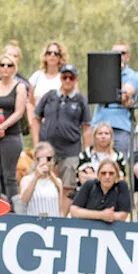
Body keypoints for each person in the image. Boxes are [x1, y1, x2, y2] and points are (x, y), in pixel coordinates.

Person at [34, 64, 90, 195]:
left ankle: (63, 215)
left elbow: (86, 127)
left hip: (71, 149)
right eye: (65, 77)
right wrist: (37, 144)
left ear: (76, 80)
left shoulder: (81, 100)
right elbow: (35, 118)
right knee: (41, 180)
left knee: (68, 186)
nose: (68, 80)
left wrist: (87, 154)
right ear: (61, 78)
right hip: (47, 148)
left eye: (71, 77)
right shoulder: (49, 96)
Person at [0, 53, 27, 201]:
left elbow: (19, 112)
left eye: (9, 65)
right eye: (2, 65)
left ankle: (13, 210)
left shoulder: (20, 87)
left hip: (11, 135)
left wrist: (3, 126)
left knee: (10, 176)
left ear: (14, 68)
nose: (5, 68)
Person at [90, 43, 138, 157]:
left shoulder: (134, 76)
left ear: (127, 57)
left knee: (118, 167)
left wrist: (114, 73)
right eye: (115, 54)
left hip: (121, 128)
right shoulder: (100, 74)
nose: (118, 56)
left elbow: (123, 95)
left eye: (122, 53)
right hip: (99, 126)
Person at [27, 41, 67, 145]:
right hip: (40, 126)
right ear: (45, 56)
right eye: (49, 53)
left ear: (60, 57)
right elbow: (30, 102)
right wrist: (32, 121)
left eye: (56, 53)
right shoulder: (37, 76)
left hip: (60, 127)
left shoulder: (65, 77)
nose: (52, 56)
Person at [69, 158, 132, 222]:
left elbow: (123, 215)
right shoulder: (89, 185)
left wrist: (108, 216)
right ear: (98, 175)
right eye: (103, 173)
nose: (107, 177)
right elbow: (74, 211)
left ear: (117, 175)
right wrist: (101, 215)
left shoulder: (121, 186)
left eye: (111, 173)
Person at [15, 143, 64, 217]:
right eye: (40, 159)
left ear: (52, 160)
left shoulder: (57, 182)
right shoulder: (26, 180)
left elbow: (60, 210)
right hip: (34, 224)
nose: (44, 162)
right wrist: (36, 178)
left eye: (48, 159)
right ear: (35, 160)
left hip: (53, 224)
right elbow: (24, 200)